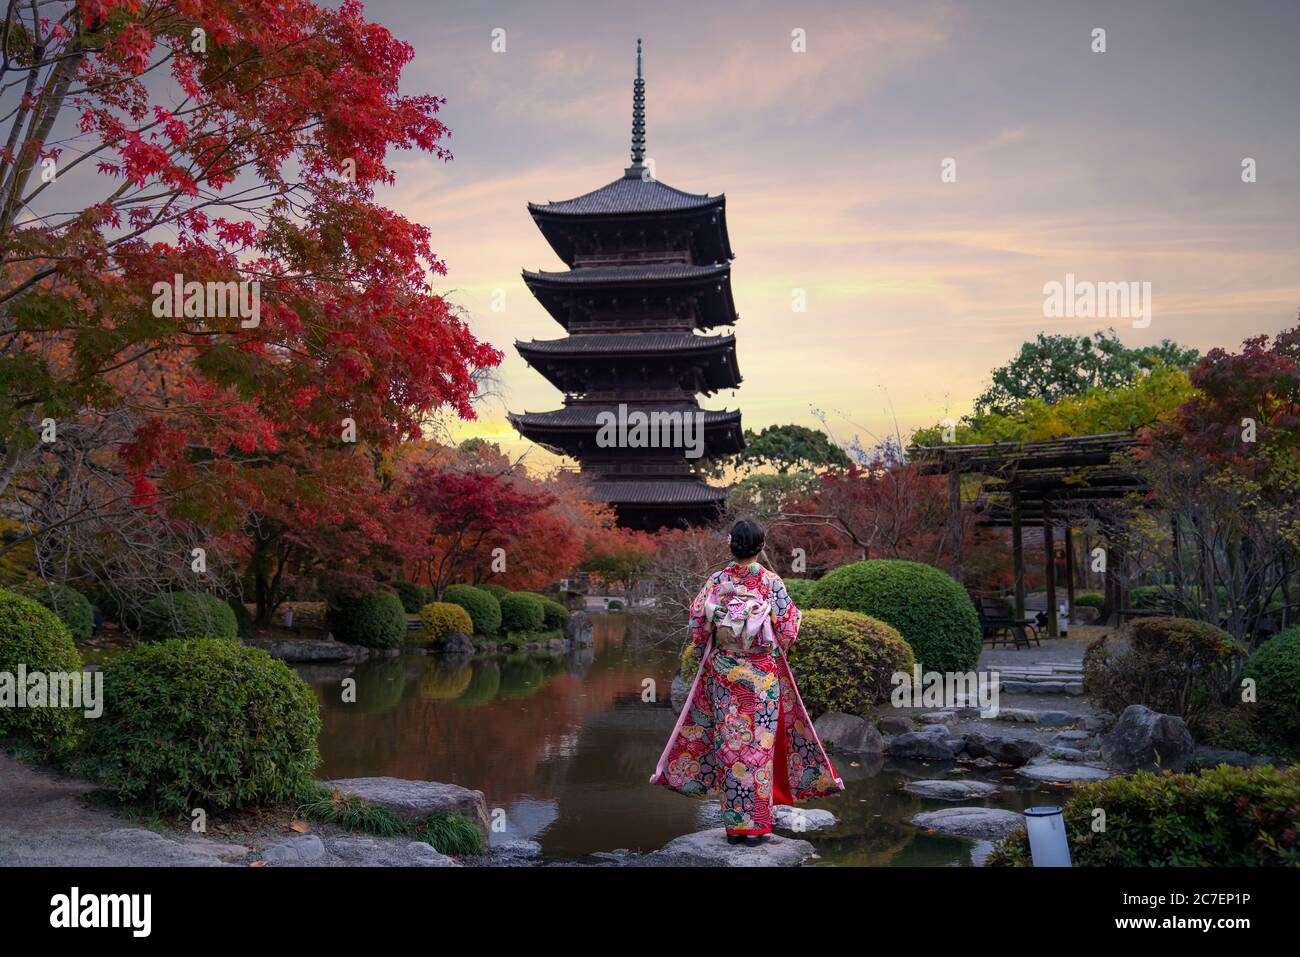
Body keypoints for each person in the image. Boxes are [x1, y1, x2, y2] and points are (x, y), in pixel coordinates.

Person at [650, 518, 844, 845]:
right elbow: (788, 628)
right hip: (761, 675)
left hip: (725, 674)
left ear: (730, 544)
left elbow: (698, 620)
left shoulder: (717, 580)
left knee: (731, 748)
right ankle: (757, 828)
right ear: (761, 547)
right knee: (757, 749)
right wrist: (763, 625)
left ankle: (734, 828)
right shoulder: (771, 582)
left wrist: (705, 649)